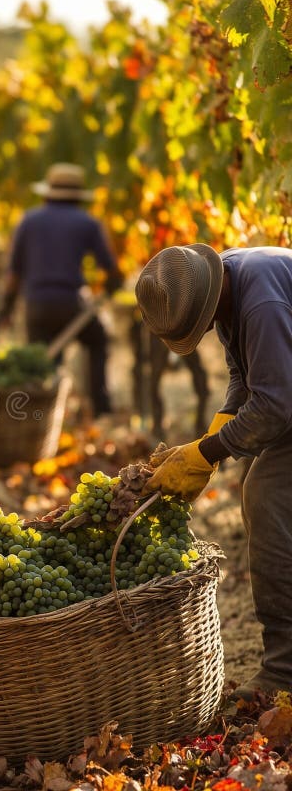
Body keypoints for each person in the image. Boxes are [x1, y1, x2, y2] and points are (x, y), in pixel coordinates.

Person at [135, 243, 292, 700]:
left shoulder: (260, 300)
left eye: (201, 325)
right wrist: (210, 444)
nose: (207, 331)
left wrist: (206, 452)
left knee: (266, 493)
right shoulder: (224, 281)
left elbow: (276, 405)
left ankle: (285, 671)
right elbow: (246, 378)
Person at [0, 162, 123, 416]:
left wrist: (5, 309)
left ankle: (42, 417)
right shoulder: (88, 223)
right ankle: (100, 407)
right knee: (98, 341)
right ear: (78, 196)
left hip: (36, 307)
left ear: (47, 192)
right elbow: (111, 269)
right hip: (71, 305)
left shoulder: (29, 221)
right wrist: (112, 285)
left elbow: (13, 275)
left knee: (43, 364)